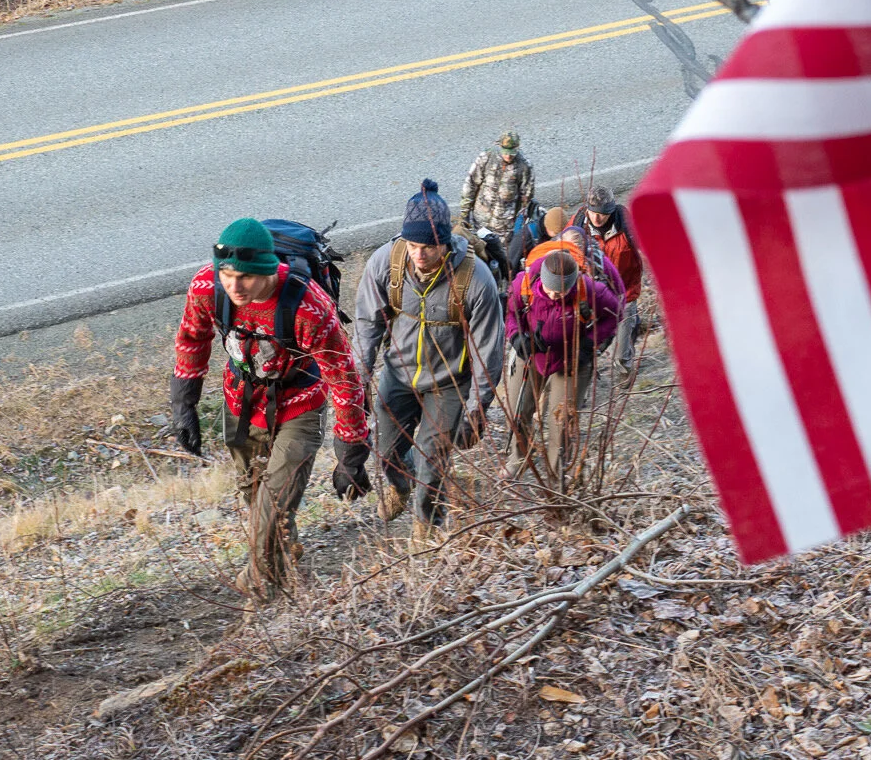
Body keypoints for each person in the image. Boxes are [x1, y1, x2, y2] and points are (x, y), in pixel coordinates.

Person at [171, 218, 369, 597]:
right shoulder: (206, 287)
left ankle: (261, 598)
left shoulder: (309, 306)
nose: (233, 285)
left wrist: (350, 453)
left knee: (271, 510)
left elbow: (343, 377)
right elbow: (191, 338)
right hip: (242, 402)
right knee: (255, 496)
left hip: (300, 407)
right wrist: (185, 405)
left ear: (264, 270)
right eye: (226, 274)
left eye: (244, 276)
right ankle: (286, 560)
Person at [353, 180, 504, 542]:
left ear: (446, 243)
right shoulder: (385, 262)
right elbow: (366, 325)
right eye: (413, 245)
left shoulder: (475, 279)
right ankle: (400, 486)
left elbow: (489, 351)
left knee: (432, 462)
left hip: (450, 383)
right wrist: (359, 382)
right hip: (399, 373)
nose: (419, 254)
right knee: (386, 452)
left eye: (429, 247)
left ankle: (426, 530)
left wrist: (476, 407)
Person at [500, 250, 622, 475]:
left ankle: (557, 476)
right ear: (542, 280)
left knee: (561, 421)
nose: (556, 295)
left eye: (562, 290)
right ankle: (518, 460)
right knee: (517, 410)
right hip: (530, 355)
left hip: (571, 360)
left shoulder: (590, 290)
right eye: (551, 289)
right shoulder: (523, 285)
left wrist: (589, 344)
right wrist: (517, 337)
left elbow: (614, 314)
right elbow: (510, 313)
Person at [574, 186, 644, 368]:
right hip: (592, 295)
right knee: (588, 347)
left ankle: (624, 382)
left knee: (621, 357)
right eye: (593, 212)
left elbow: (651, 249)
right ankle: (588, 375)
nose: (597, 218)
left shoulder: (628, 227)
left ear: (611, 212)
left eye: (603, 214)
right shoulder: (579, 223)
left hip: (625, 294)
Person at [459, 133, 536, 282]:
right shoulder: (486, 158)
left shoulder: (524, 166)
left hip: (504, 229)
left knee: (501, 265)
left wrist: (519, 225)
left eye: (512, 152)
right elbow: (470, 185)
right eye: (505, 152)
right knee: (478, 260)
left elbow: (527, 198)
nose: (508, 156)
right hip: (479, 223)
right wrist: (464, 215)